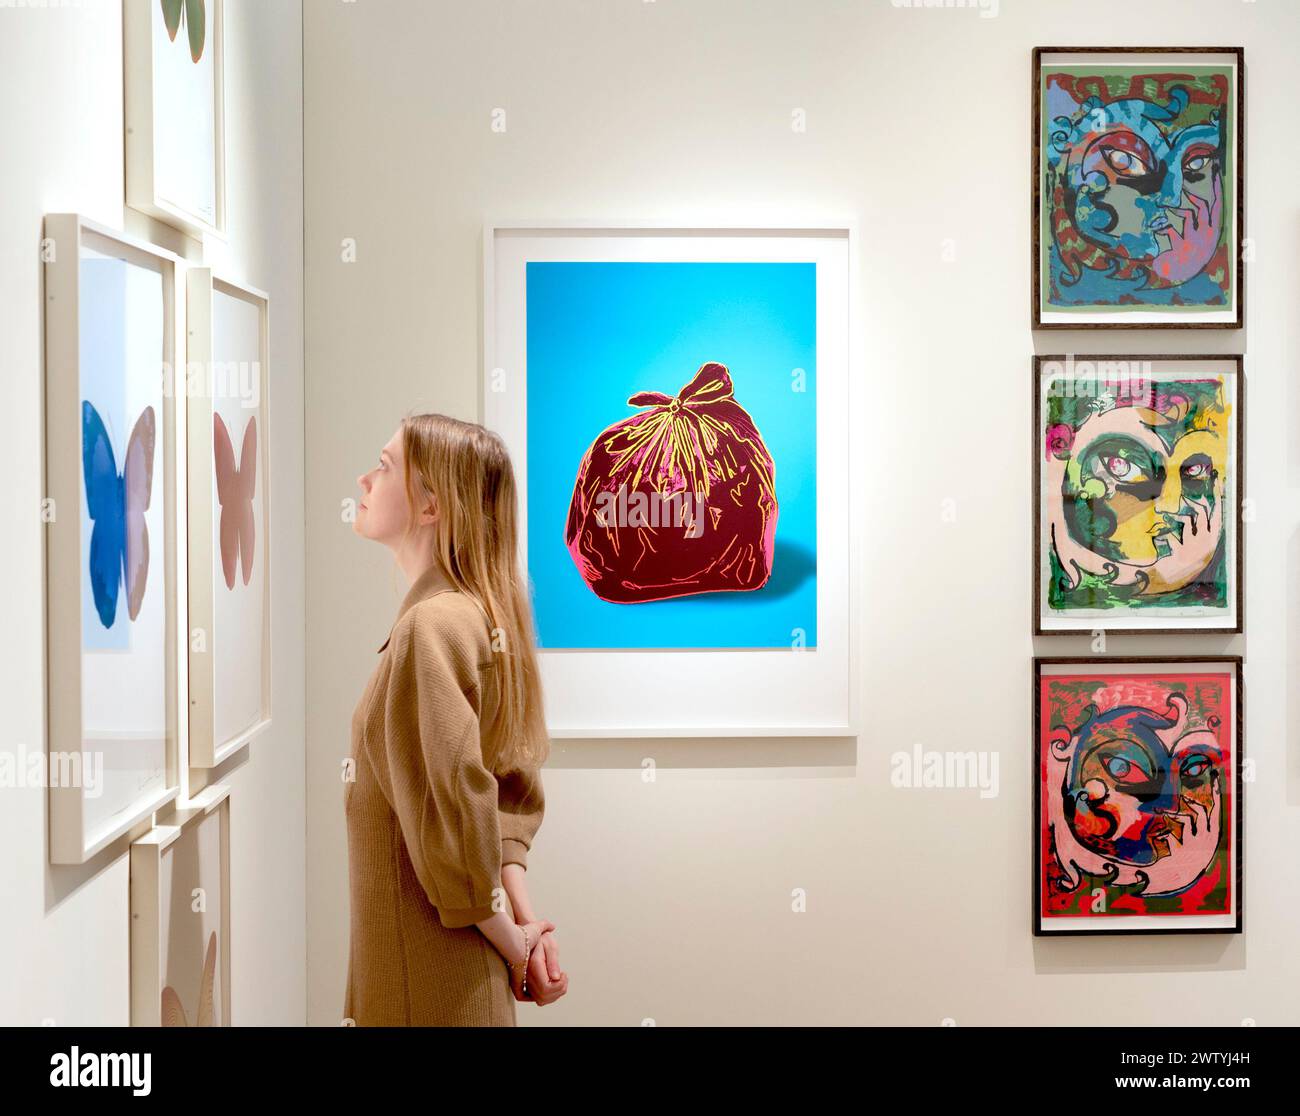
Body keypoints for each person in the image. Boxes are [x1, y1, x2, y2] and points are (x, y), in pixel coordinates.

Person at [343, 412, 568, 1025]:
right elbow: (503, 793)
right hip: (459, 979)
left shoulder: (430, 627)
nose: (364, 480)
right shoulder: (481, 616)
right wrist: (522, 927)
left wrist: (515, 941)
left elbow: (459, 810)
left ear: (431, 506)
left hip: (428, 984)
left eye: (385, 467)